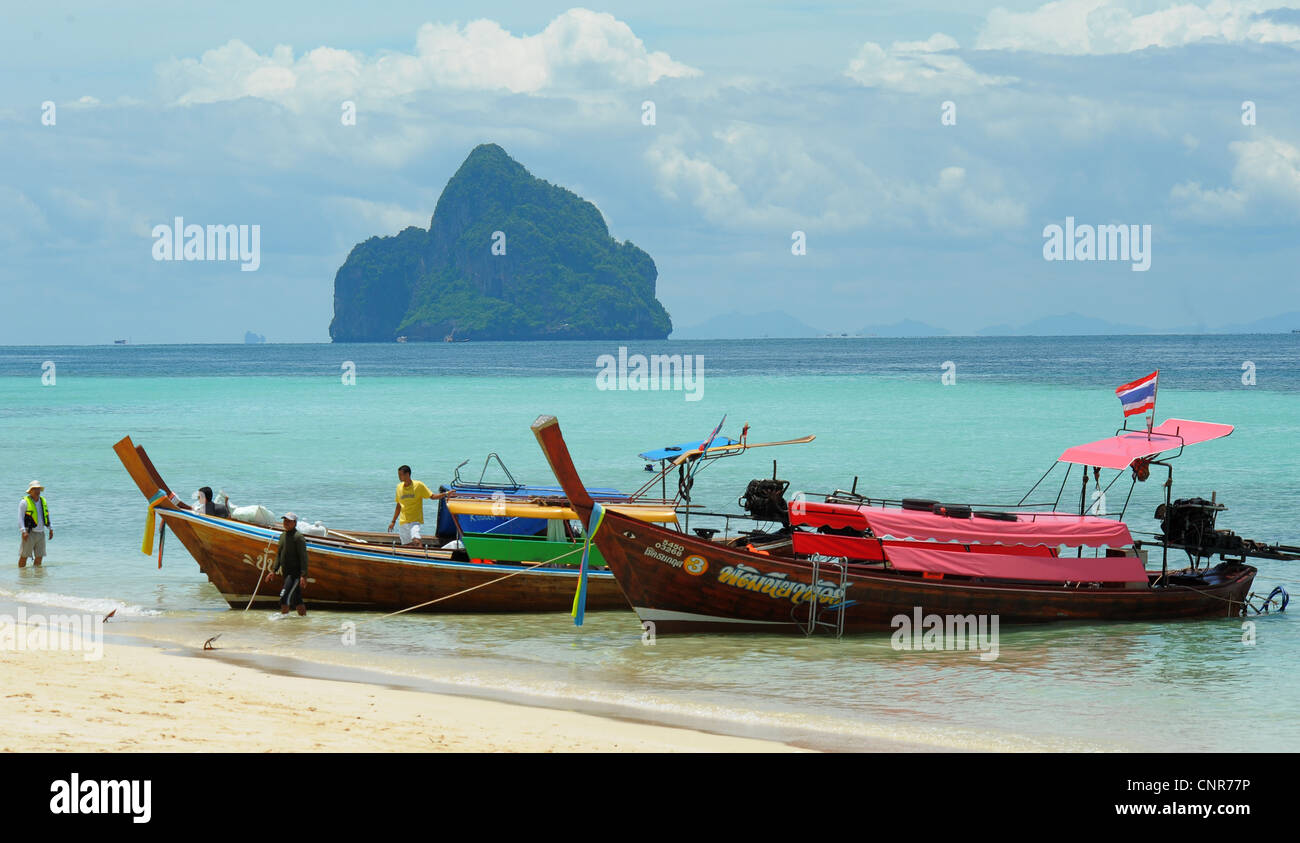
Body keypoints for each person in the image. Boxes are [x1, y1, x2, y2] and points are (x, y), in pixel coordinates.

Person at [389, 465, 454, 547]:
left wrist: (446, 494)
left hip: (415, 520)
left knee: (416, 540)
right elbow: (399, 505)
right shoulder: (399, 487)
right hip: (403, 521)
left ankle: (423, 556)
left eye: (401, 475)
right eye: (398, 475)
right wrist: (393, 521)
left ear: (407, 474)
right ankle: (412, 558)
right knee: (406, 545)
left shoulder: (418, 485)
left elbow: (432, 496)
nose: (399, 477)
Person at [264, 512, 308, 615]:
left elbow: (304, 557)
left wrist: (303, 575)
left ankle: (283, 622)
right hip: (286, 573)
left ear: (294, 523)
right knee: (297, 600)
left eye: (289, 521)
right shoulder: (282, 536)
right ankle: (303, 622)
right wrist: (273, 571)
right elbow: (279, 555)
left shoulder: (298, 537)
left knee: (284, 597)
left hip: (295, 575)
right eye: (284, 520)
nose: (286, 523)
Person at [19, 481, 52, 568]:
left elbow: (46, 515)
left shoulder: (43, 501)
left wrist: (50, 529)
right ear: (30, 491)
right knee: (24, 556)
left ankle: (36, 579)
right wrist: (23, 531)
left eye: (38, 489)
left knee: (39, 557)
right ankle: (22, 577)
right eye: (35, 489)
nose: (37, 491)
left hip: (41, 533)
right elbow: (20, 518)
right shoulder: (24, 502)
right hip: (29, 533)